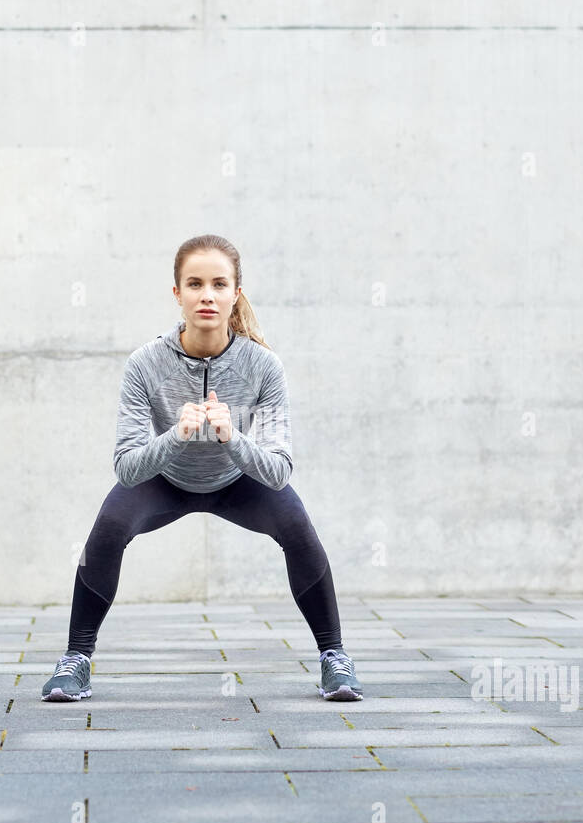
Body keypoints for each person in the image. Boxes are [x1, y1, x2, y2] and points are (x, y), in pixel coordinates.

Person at [42, 234, 362, 702]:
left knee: (297, 525)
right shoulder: (144, 365)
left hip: (239, 482)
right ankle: (75, 660)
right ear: (177, 294)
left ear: (236, 293)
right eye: (194, 284)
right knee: (109, 527)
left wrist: (232, 438)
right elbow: (127, 469)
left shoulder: (264, 367)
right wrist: (176, 436)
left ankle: (335, 658)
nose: (206, 295)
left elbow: (277, 472)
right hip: (164, 481)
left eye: (218, 284)